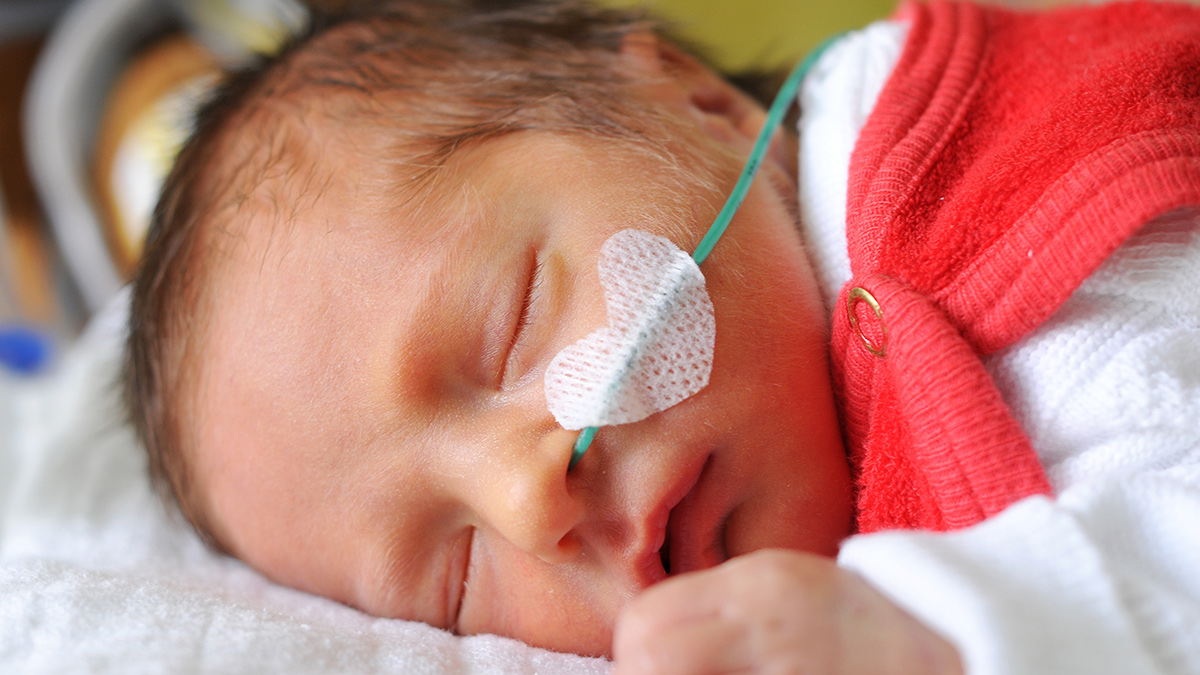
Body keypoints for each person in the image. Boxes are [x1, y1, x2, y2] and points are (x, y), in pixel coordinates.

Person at [123, 0, 1200, 672]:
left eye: (510, 331)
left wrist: (949, 633)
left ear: (696, 103)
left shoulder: (995, 177)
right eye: (455, 580)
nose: (529, 502)